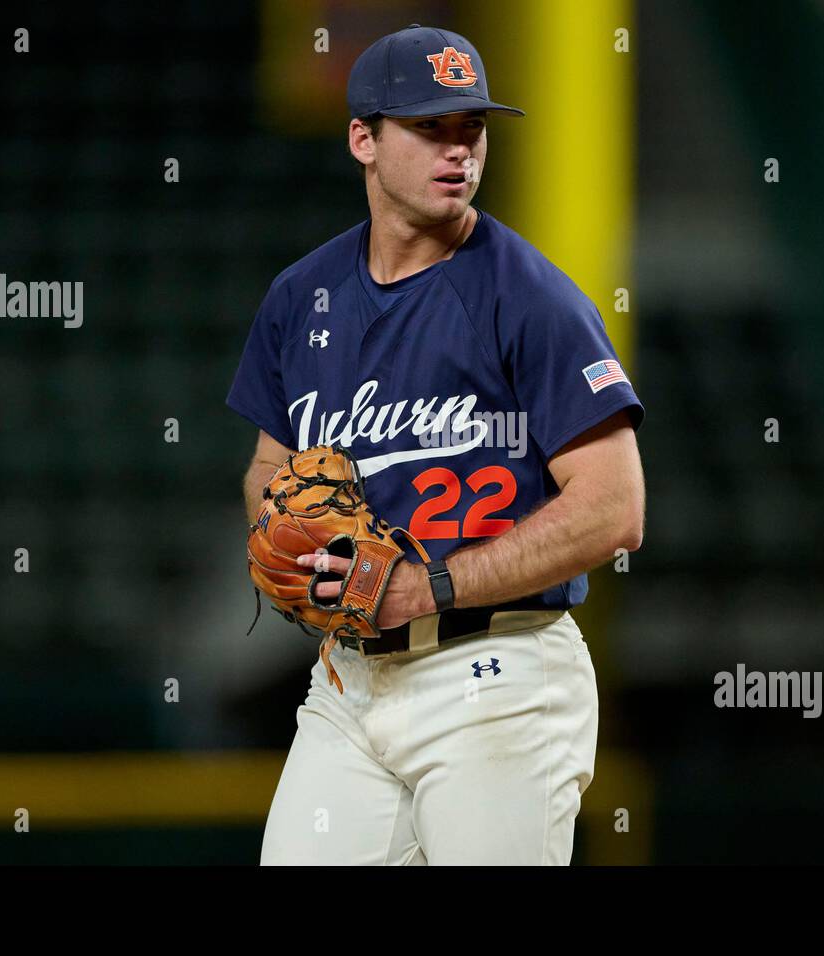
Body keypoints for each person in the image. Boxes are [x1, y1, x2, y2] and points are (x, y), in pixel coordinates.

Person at [227, 24, 645, 865]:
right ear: (363, 140)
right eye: (430, 128)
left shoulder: (531, 299)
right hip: (347, 686)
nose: (458, 151)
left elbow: (615, 510)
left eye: (471, 129)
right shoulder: (301, 296)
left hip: (500, 677)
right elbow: (269, 469)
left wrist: (428, 584)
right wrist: (287, 534)